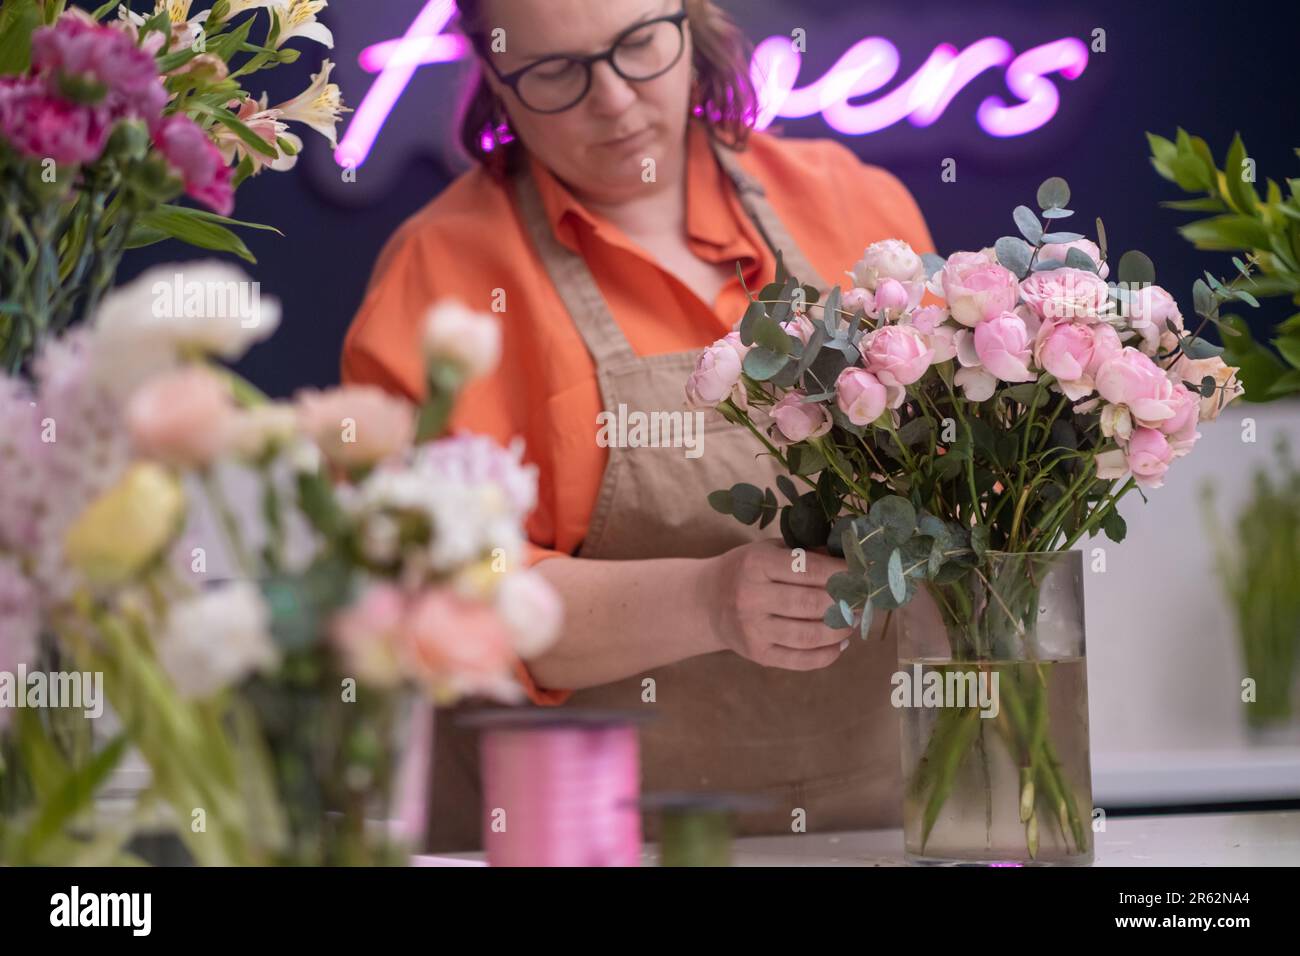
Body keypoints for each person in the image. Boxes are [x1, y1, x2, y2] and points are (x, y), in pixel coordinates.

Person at [342, 0, 935, 851]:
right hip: (573, 844)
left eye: (638, 46)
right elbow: (444, 595)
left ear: (693, 22)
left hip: (881, 835)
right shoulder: (441, 273)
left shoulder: (853, 203)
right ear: (495, 77)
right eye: (556, 71)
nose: (614, 101)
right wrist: (706, 601)